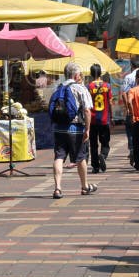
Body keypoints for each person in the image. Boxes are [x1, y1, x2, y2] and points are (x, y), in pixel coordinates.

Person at [52, 62, 97, 199]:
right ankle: (84, 186)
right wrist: (87, 129)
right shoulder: (80, 88)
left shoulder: (58, 88)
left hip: (59, 128)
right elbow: (87, 110)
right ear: (77, 75)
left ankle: (58, 188)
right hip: (75, 128)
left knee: (59, 157)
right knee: (80, 157)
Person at [87, 63, 111, 174]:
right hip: (104, 119)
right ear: (100, 73)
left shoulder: (89, 87)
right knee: (105, 142)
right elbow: (110, 102)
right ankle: (103, 155)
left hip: (92, 120)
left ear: (91, 74)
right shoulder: (107, 86)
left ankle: (95, 166)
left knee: (93, 144)